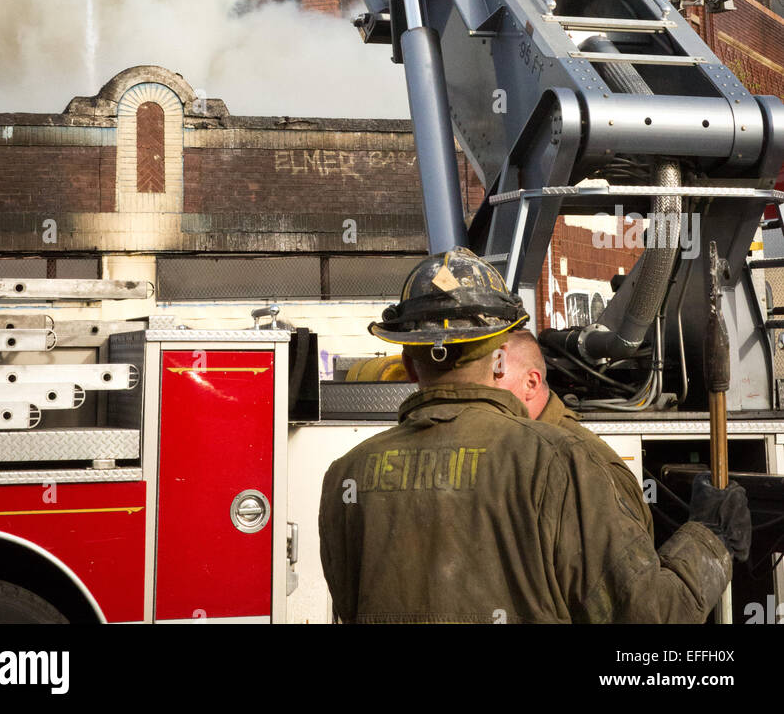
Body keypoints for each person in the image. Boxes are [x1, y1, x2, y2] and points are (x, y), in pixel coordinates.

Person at [318, 249, 750, 625]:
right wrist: (709, 538)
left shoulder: (346, 475)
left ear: (409, 366)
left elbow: (349, 604)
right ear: (501, 360)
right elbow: (646, 615)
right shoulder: (562, 461)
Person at [494, 327, 654, 539]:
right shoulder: (517, 446)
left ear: (531, 384)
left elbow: (625, 565)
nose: (482, 395)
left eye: (492, 383)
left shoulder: (584, 463)